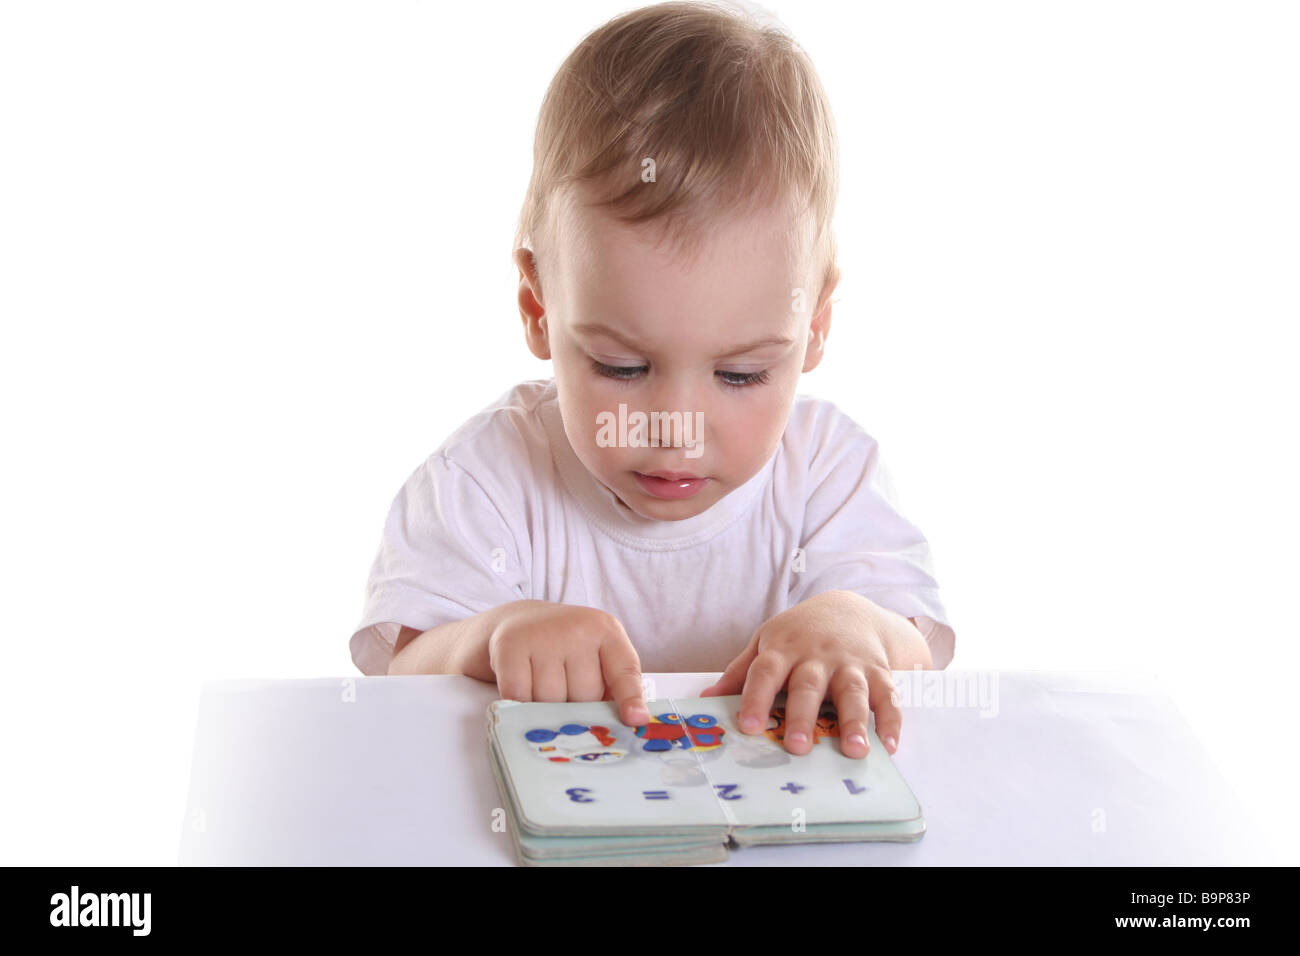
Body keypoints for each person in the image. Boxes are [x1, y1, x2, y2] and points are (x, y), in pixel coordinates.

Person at [349, 0, 954, 759]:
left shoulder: (829, 473)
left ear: (815, 326)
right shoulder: (486, 480)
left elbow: (912, 650)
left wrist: (850, 624)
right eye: (622, 367)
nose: (676, 430)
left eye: (740, 374)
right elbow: (401, 675)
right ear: (539, 308)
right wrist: (487, 638)